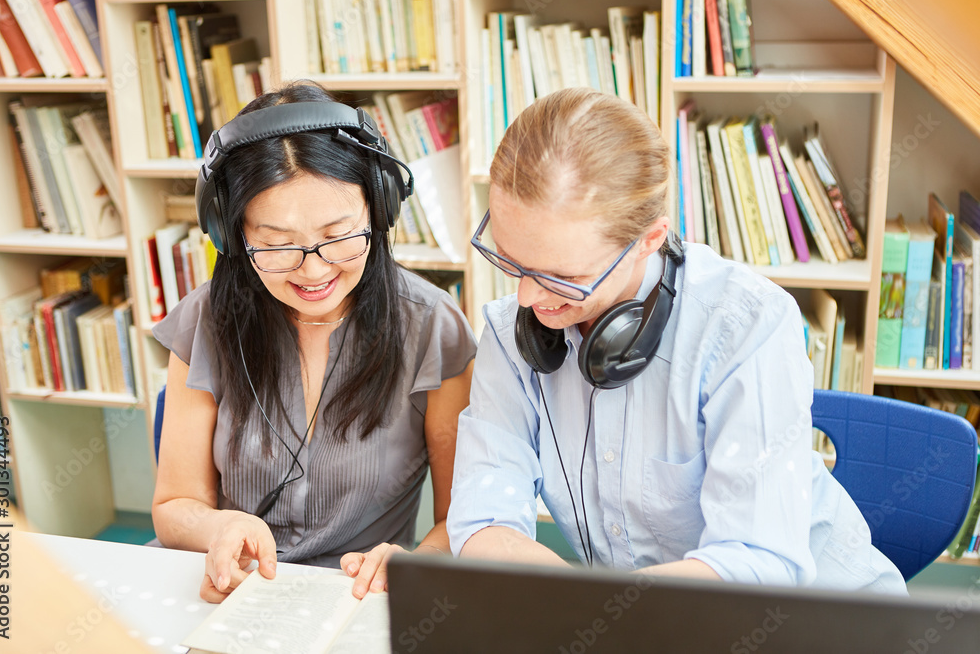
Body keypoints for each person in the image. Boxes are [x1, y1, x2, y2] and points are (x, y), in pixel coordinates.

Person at [446, 87, 906, 593]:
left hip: (816, 624)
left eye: (561, 276)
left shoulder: (747, 325)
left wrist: (603, 616)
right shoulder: (511, 335)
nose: (528, 296)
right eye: (511, 259)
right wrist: (586, 616)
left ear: (649, 239)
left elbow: (757, 561)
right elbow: (483, 520)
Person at [151, 81, 476, 603]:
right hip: (230, 594)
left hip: (355, 604)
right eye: (277, 246)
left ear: (380, 210)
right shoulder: (205, 318)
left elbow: (461, 519)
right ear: (232, 236)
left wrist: (417, 562)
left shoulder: (432, 327)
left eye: (341, 235)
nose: (315, 270)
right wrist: (217, 532)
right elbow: (174, 505)